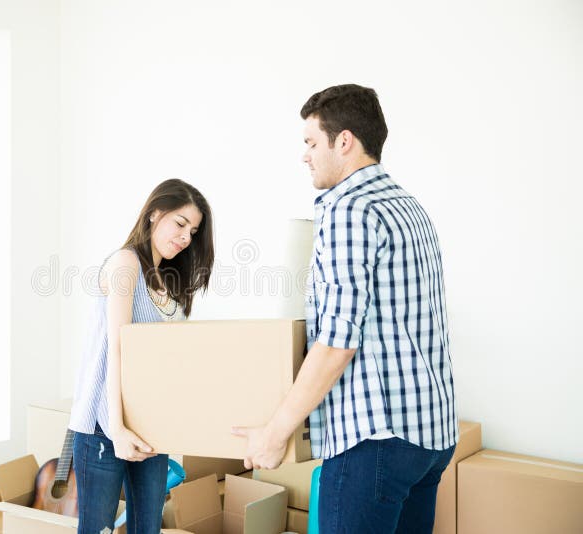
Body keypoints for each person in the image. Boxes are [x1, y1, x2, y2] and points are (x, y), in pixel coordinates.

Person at [233, 84, 457, 533]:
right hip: (430, 436)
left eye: (311, 142)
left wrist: (276, 433)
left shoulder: (349, 209)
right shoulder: (409, 208)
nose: (305, 155)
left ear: (345, 141)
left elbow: (337, 340)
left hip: (374, 444)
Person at [68, 178, 214, 533]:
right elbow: (119, 347)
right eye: (180, 224)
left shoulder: (169, 282)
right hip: (106, 426)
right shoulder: (124, 264)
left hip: (151, 428)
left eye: (193, 231)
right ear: (154, 214)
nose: (185, 237)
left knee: (147, 529)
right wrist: (117, 429)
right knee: (97, 530)